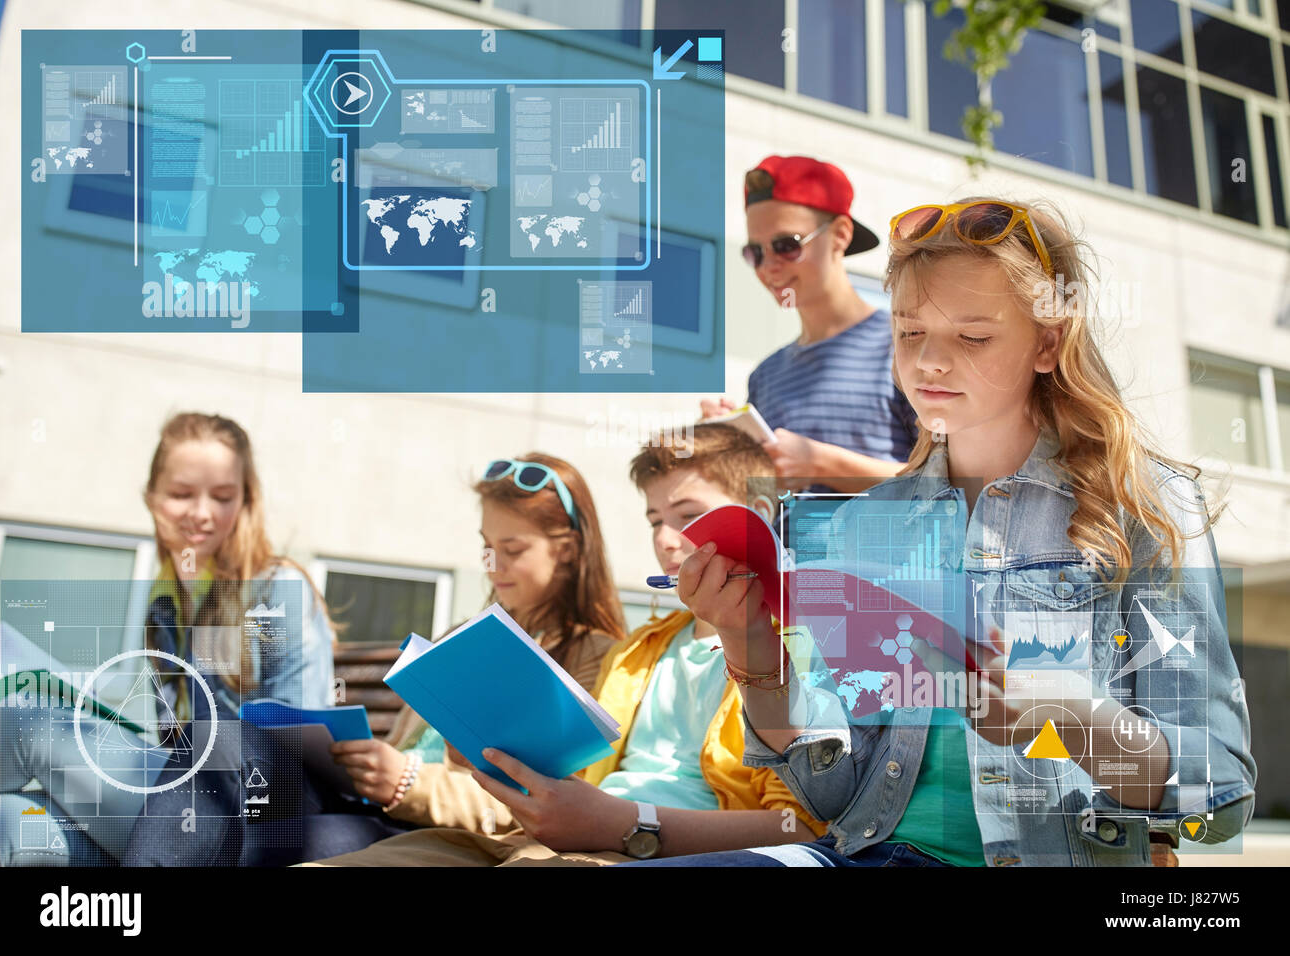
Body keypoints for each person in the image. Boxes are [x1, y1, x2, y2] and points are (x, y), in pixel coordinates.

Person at [650, 198, 1256, 866]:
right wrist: (753, 653)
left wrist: (1078, 723)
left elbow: (1221, 789)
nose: (930, 364)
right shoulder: (867, 522)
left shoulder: (1147, 507)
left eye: (972, 337)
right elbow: (834, 798)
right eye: (910, 334)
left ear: (1048, 344)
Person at [305, 424, 826, 866]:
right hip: (554, 836)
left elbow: (801, 827)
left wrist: (626, 824)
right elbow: (572, 782)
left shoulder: (804, 646)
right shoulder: (639, 652)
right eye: (654, 520)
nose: (667, 538)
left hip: (634, 845)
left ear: (758, 513)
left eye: (689, 516)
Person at [0, 412, 335, 866]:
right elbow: (173, 739)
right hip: (179, 803)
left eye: (224, 497)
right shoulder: (166, 603)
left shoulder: (277, 590)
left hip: (253, 810)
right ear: (151, 497)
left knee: (28, 725)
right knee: (6, 822)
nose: (202, 514)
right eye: (181, 494)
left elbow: (299, 747)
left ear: (247, 501)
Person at [325, 453, 627, 838]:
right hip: (383, 809)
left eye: (513, 550)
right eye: (487, 545)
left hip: (439, 830)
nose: (492, 565)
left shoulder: (600, 656)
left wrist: (408, 782)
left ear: (567, 549)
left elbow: (557, 801)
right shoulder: (465, 633)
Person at [702, 155, 918, 493]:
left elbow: (948, 486)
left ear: (840, 235)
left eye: (786, 246)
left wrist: (821, 463)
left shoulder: (906, 344)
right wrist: (725, 448)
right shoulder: (765, 376)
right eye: (755, 253)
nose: (768, 266)